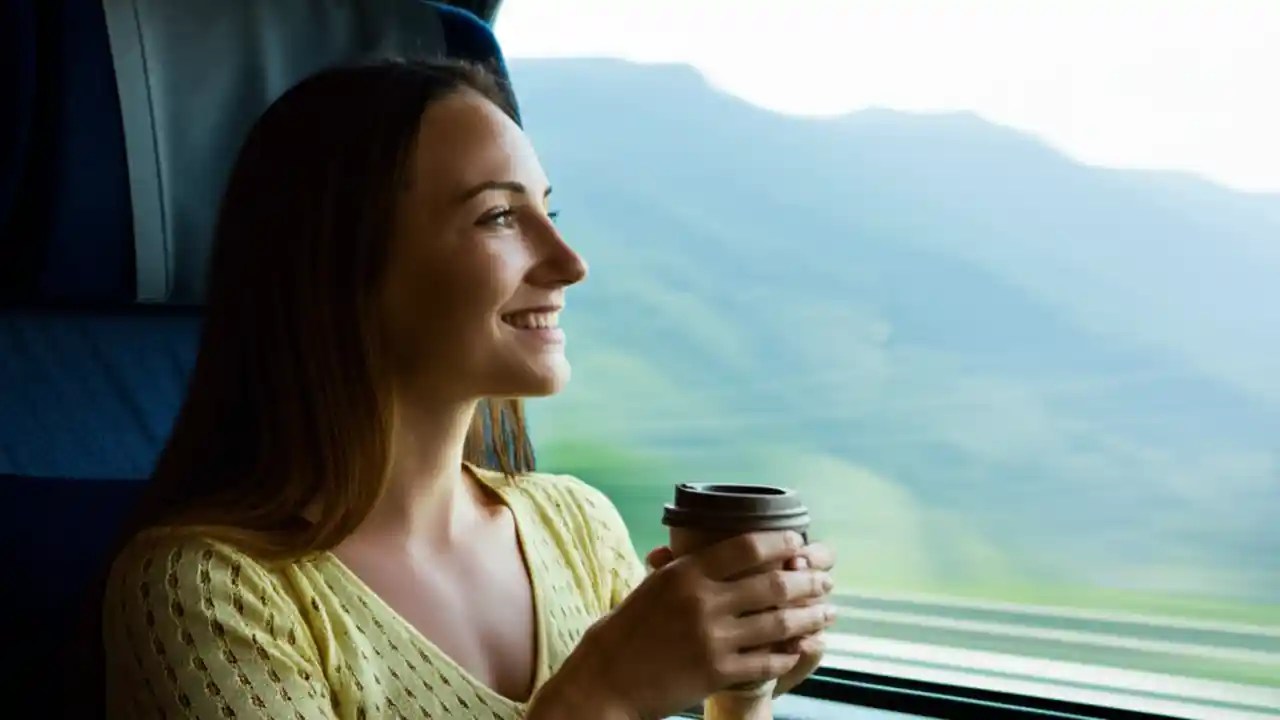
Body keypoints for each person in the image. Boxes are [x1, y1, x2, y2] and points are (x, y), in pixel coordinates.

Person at [99, 58, 838, 719]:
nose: (569, 261)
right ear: (344, 269)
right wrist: (604, 693)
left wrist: (739, 694)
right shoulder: (203, 593)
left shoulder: (578, 526)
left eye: (548, 212)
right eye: (498, 216)